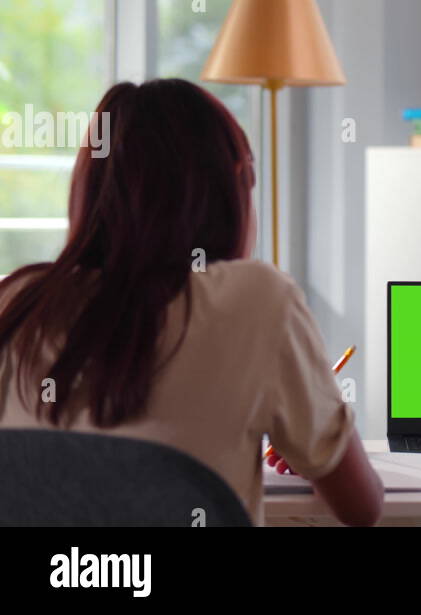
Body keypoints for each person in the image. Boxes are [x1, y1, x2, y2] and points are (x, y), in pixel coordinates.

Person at [0, 79, 382, 526]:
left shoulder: (19, 300)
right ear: (234, 184)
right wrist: (316, 430)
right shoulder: (260, 301)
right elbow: (362, 509)